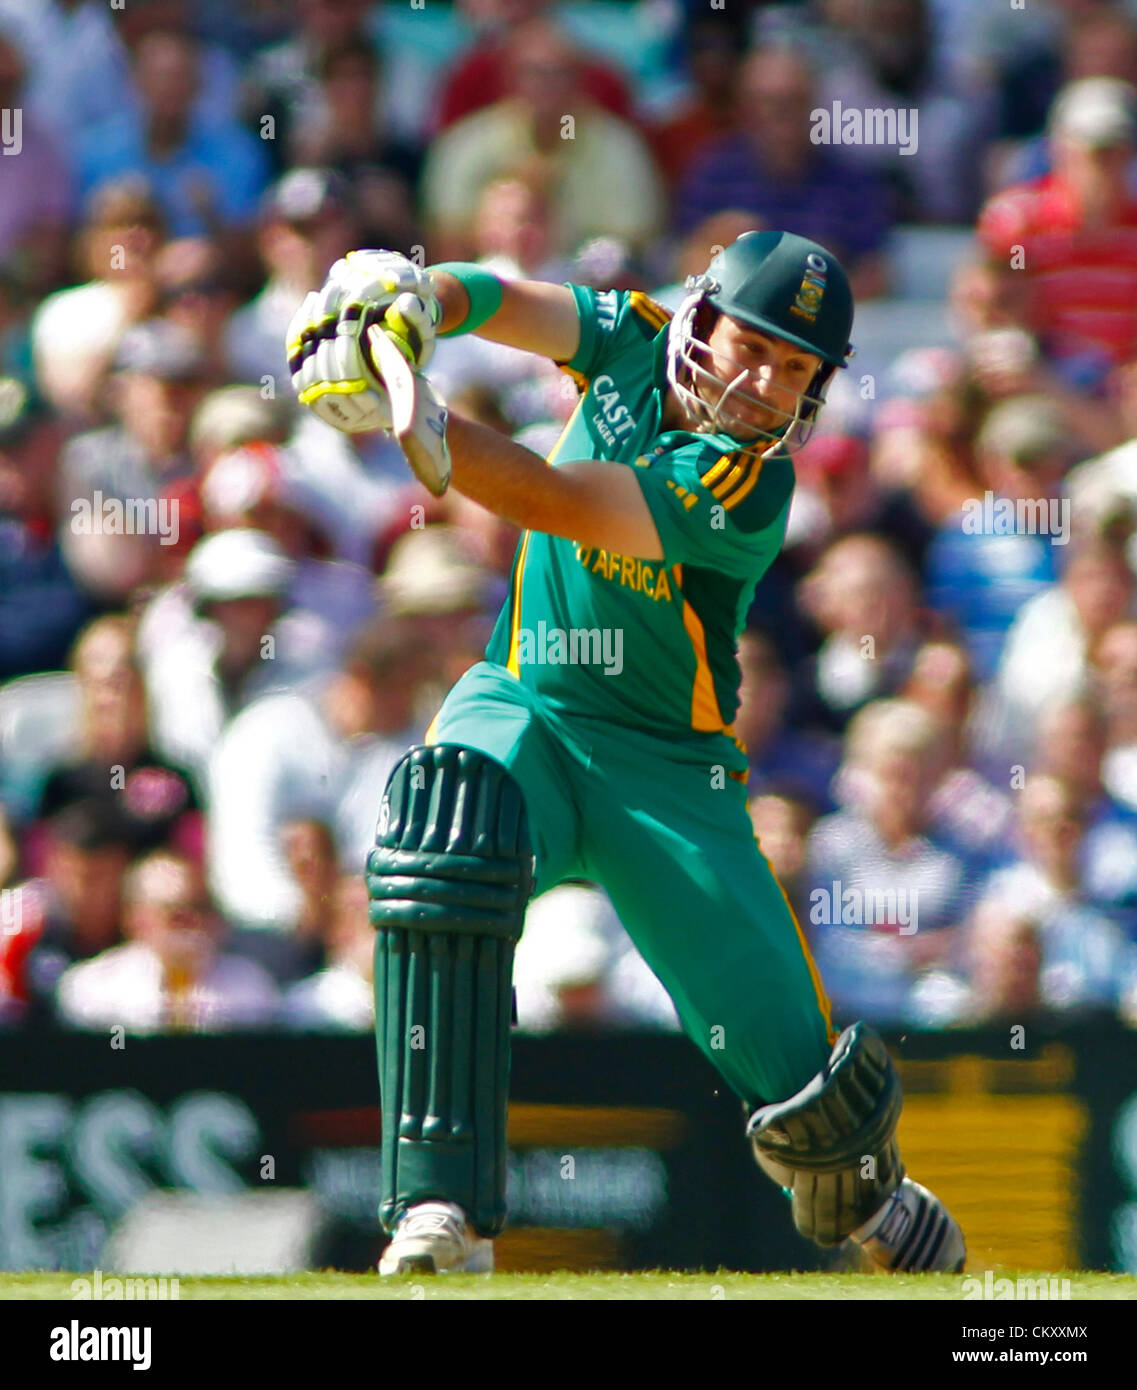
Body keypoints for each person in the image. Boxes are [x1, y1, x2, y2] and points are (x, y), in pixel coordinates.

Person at [286, 232, 966, 1276]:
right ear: (703, 315)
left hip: (665, 769)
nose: (762, 381)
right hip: (528, 702)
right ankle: (435, 1206)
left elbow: (562, 503)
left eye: (795, 369)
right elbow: (511, 299)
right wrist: (416, 296)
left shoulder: (751, 489)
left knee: (801, 1092)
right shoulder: (638, 332)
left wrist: (412, 411)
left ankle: (868, 1192)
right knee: (446, 825)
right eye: (754, 343)